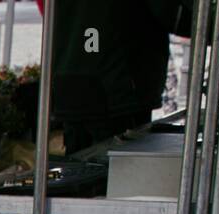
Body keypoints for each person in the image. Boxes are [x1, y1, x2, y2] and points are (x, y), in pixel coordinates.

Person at [50, 0, 193, 153]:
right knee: (118, 169)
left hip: (71, 80)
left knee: (82, 165)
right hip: (116, 88)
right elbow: (173, 13)